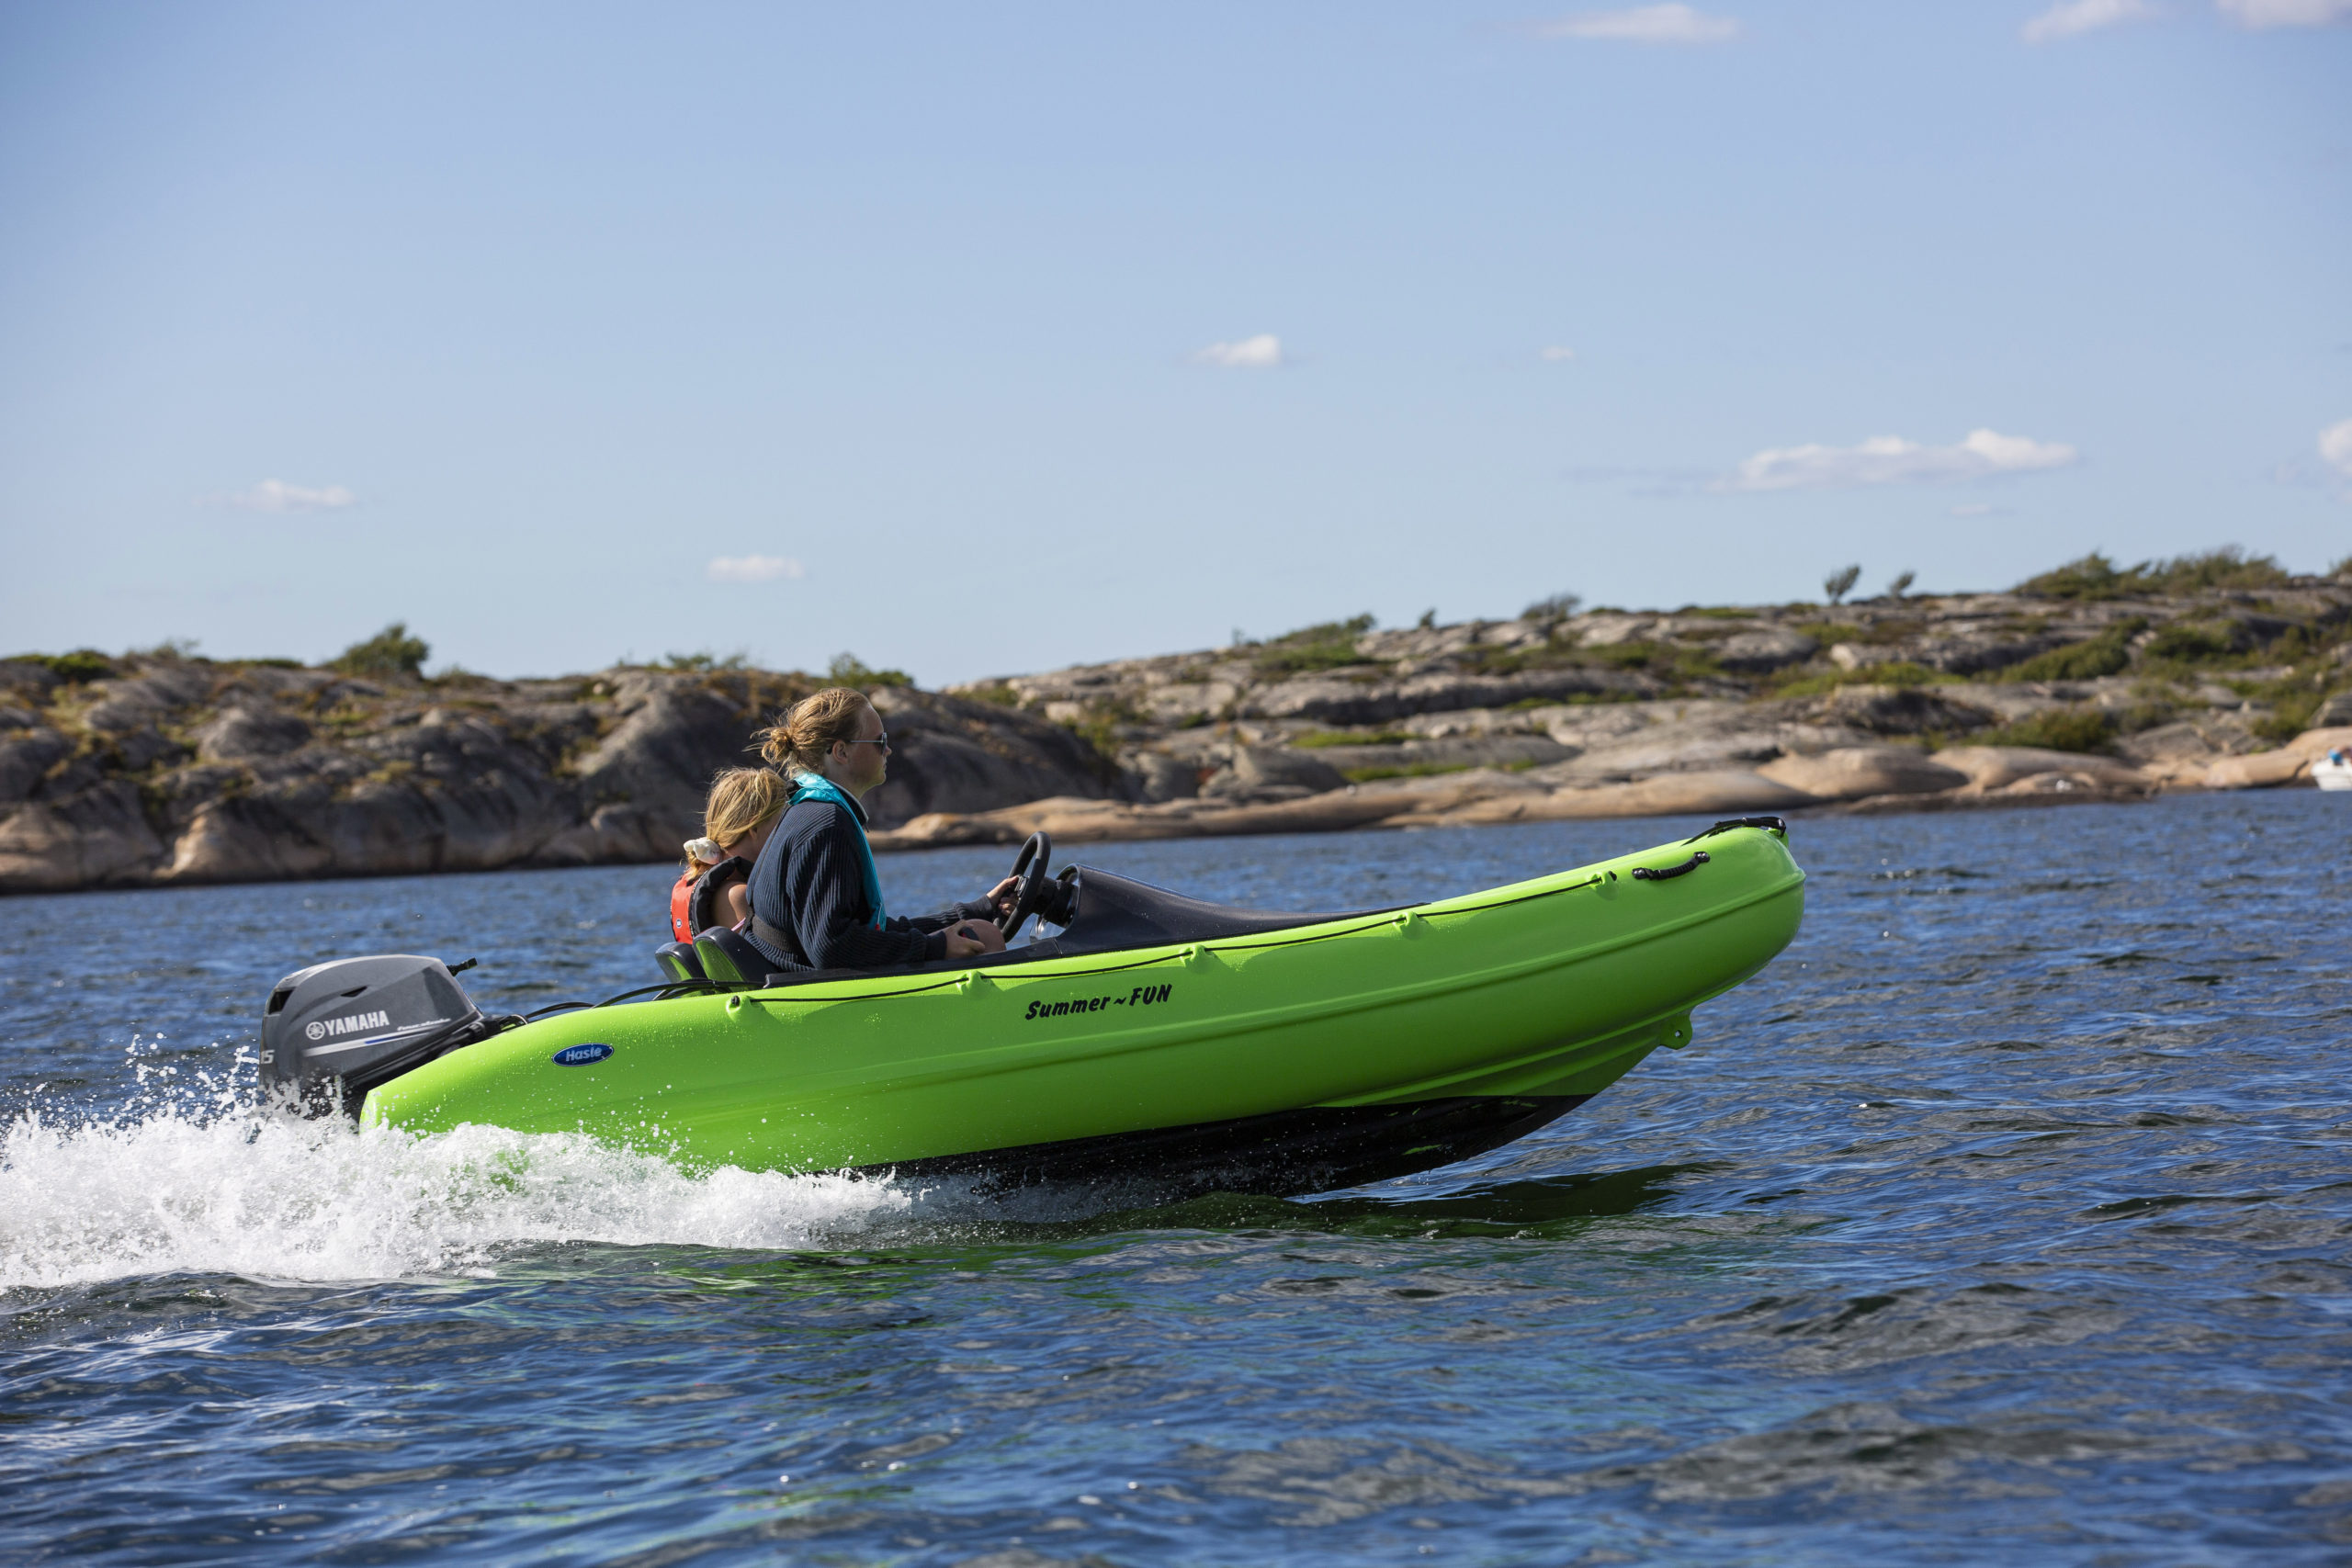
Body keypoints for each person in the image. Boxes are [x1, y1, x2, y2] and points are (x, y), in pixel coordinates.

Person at [743, 688, 1014, 971]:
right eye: (880, 740)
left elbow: (872, 932)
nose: (888, 749)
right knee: (986, 938)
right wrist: (937, 946)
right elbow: (832, 947)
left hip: (797, 987)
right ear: (841, 752)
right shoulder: (826, 825)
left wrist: (977, 909)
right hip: (810, 1001)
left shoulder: (804, 810)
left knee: (980, 927)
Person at [668, 767, 792, 942]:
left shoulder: (700, 878)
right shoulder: (740, 896)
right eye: (780, 822)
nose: (786, 832)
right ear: (754, 827)